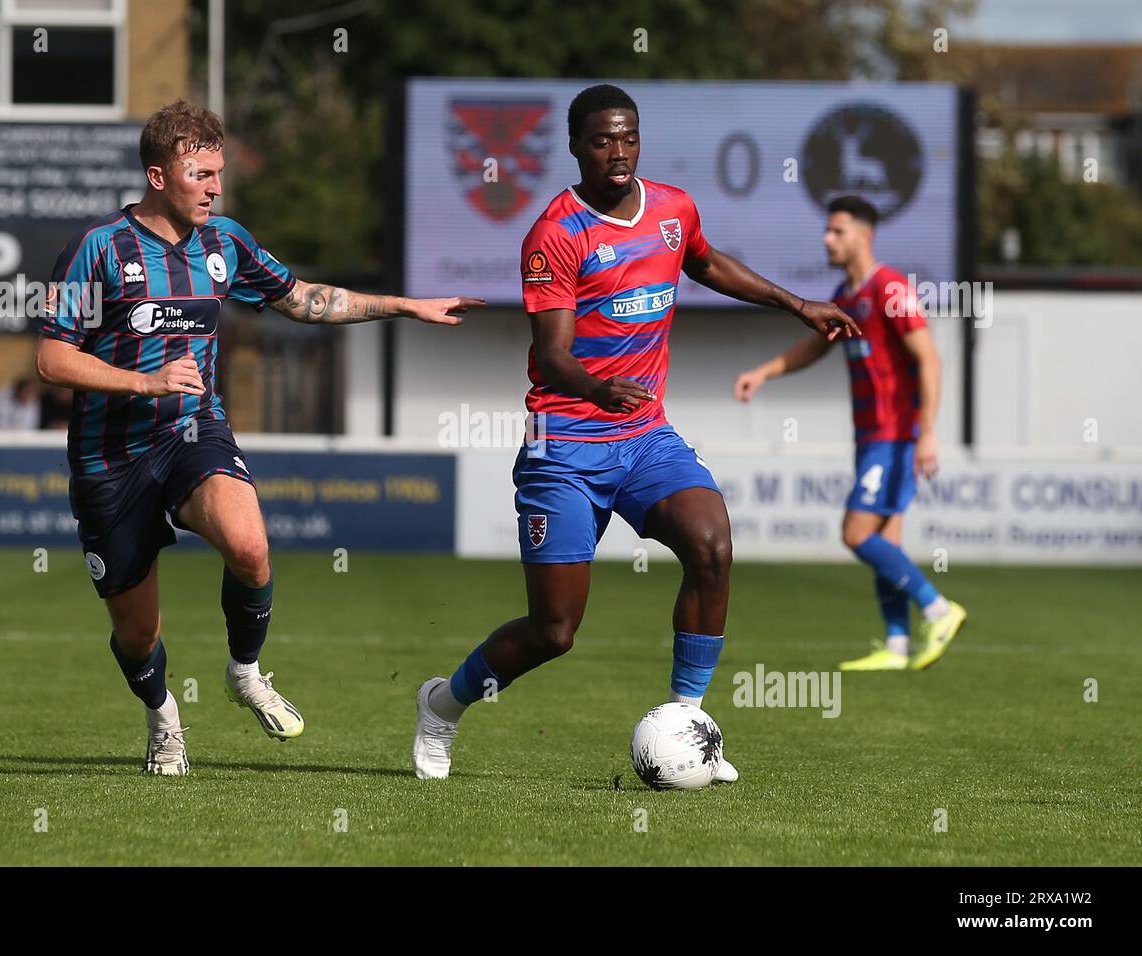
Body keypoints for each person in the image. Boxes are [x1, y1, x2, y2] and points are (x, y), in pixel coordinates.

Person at [410, 85, 860, 782]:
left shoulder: (674, 209)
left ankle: (688, 725)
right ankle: (443, 704)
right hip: (565, 443)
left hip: (645, 435)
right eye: (601, 141)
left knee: (711, 544)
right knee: (553, 633)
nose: (617, 153)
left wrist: (796, 303)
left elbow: (707, 262)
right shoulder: (557, 233)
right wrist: (596, 388)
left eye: (628, 138)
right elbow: (554, 354)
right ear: (575, 146)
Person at [36, 100, 482, 775]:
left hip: (193, 433)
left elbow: (301, 298)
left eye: (219, 173)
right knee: (136, 634)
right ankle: (163, 721)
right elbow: (51, 358)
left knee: (250, 546)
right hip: (109, 458)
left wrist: (404, 306)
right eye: (202, 173)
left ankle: (244, 670)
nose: (216, 187)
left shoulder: (225, 243)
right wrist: (146, 383)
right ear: (159, 176)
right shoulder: (99, 249)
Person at [733, 195, 967, 671]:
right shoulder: (847, 296)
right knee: (888, 543)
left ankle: (939, 609)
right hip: (871, 438)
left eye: (837, 231)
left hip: (896, 434)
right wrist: (764, 373)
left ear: (864, 235)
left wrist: (927, 434)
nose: (827, 238)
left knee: (856, 533)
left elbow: (930, 358)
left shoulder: (891, 288)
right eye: (828, 230)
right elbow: (815, 348)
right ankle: (898, 646)